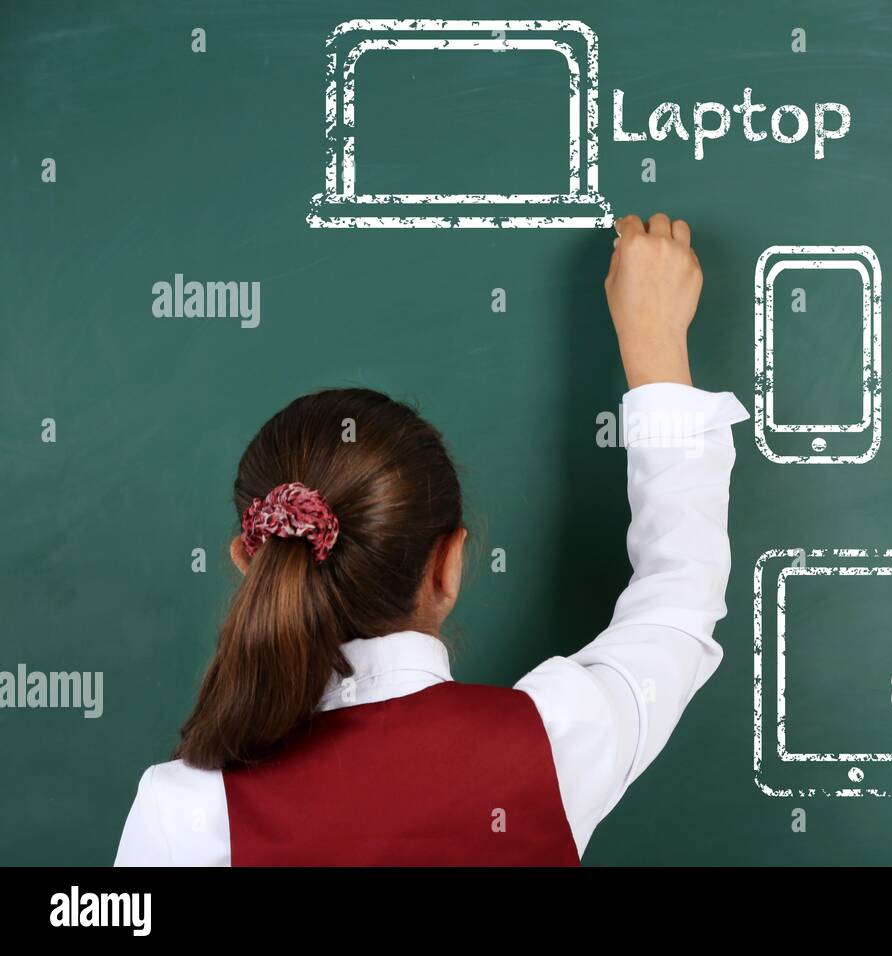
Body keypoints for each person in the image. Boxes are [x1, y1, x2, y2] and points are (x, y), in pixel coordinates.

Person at [114, 212, 748, 865]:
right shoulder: (554, 744)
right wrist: (656, 342)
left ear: (253, 559)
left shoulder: (188, 809)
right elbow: (679, 600)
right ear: (449, 563)